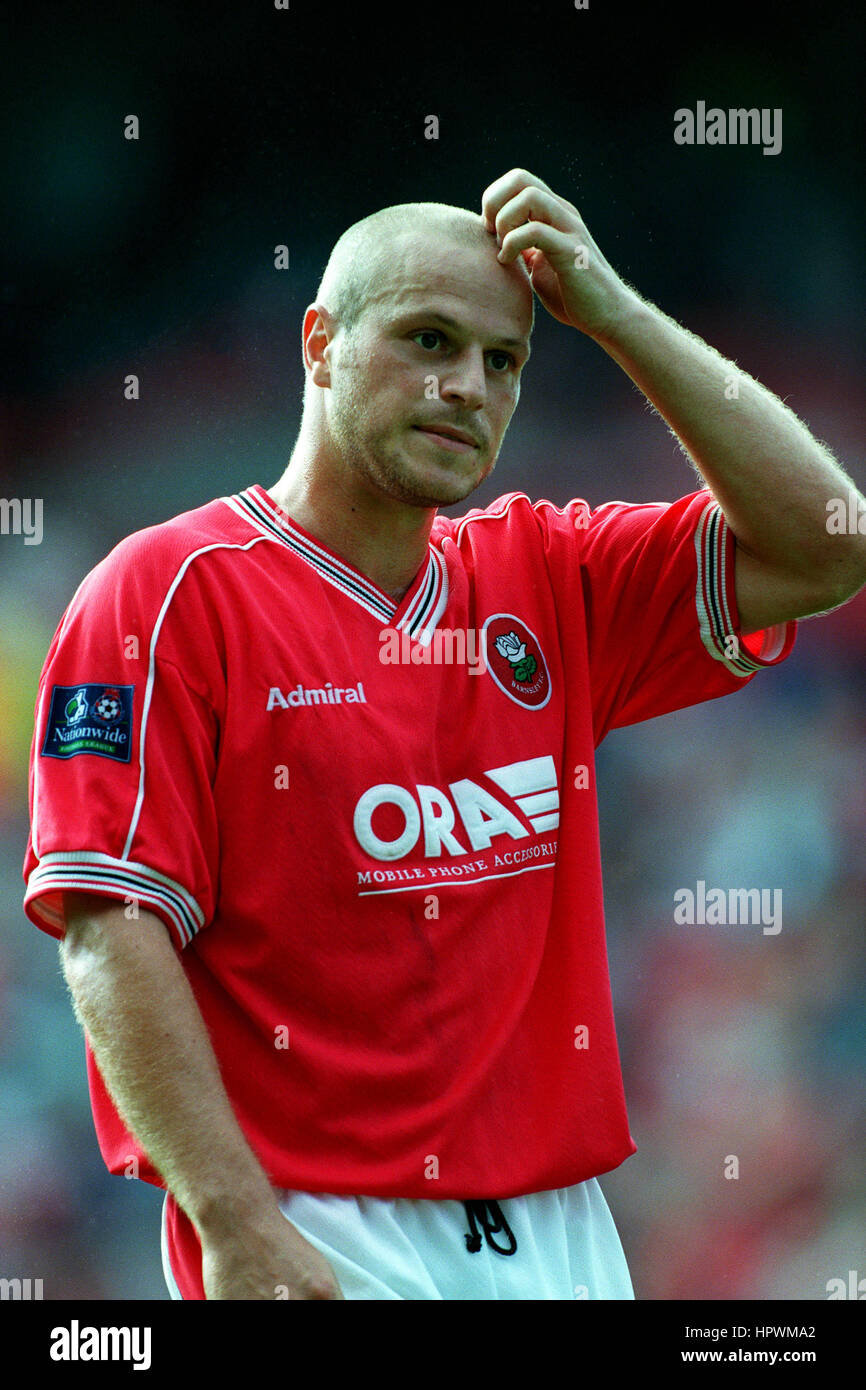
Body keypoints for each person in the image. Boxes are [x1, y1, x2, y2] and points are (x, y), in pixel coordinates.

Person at [23, 169, 866, 1300]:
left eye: (503, 360)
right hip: (322, 1229)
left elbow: (825, 541)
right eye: (428, 340)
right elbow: (108, 926)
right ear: (319, 343)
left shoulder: (549, 574)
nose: (466, 386)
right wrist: (231, 1216)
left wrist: (613, 312)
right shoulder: (165, 592)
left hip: (564, 1236)